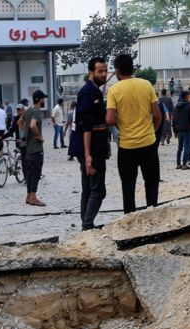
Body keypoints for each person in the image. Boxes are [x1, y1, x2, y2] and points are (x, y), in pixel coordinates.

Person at [106, 53, 161, 213]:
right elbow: (157, 115)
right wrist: (151, 131)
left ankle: (129, 218)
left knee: (128, 186)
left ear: (117, 71)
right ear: (132, 68)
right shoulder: (146, 85)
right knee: (151, 182)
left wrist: (121, 126)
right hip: (148, 143)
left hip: (127, 146)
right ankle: (152, 214)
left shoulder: (113, 90)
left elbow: (110, 119)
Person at [71, 56, 110, 231]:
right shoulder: (89, 92)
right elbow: (86, 126)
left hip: (90, 149)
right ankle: (87, 225)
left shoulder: (94, 91)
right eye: (100, 71)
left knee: (88, 189)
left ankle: (86, 225)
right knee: (98, 190)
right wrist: (87, 155)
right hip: (92, 150)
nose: (104, 74)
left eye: (105, 70)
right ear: (91, 73)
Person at [20, 90, 48, 207]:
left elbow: (19, 122)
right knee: (36, 172)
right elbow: (32, 125)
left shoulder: (28, 111)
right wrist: (39, 136)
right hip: (36, 148)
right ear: (40, 99)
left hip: (28, 148)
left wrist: (26, 133)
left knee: (30, 172)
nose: (44, 101)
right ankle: (33, 197)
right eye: (43, 99)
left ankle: (28, 196)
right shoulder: (36, 111)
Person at [173, 91, 190, 170]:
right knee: (187, 146)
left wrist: (175, 131)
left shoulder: (176, 106)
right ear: (186, 96)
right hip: (187, 129)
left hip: (179, 129)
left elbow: (174, 119)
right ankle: (184, 164)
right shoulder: (189, 106)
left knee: (180, 147)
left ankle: (178, 164)